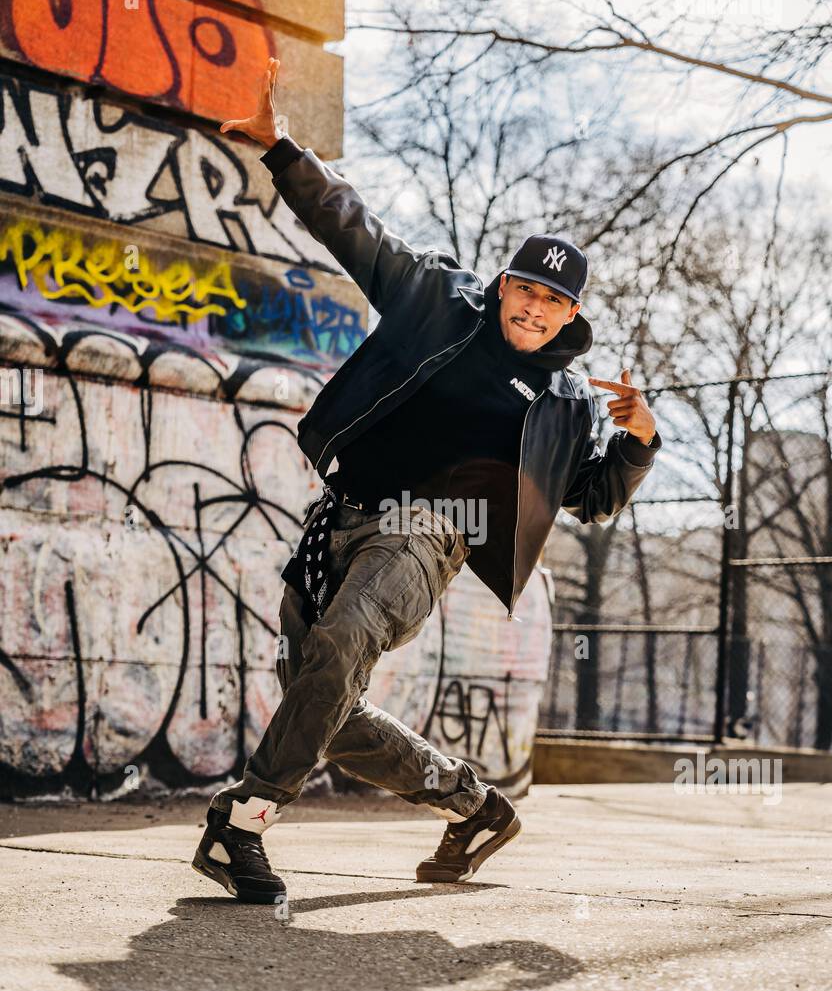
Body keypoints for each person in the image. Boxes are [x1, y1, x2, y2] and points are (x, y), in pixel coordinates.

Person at [192, 58, 661, 903]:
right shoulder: (439, 300)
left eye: (552, 302)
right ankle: (473, 803)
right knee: (327, 710)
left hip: (430, 532)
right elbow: (355, 228)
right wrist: (281, 150)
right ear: (503, 285)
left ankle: (244, 819)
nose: (531, 307)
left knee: (338, 653)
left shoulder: (564, 403)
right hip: (341, 520)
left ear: (570, 317)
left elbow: (591, 500)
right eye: (523, 288)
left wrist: (640, 444)